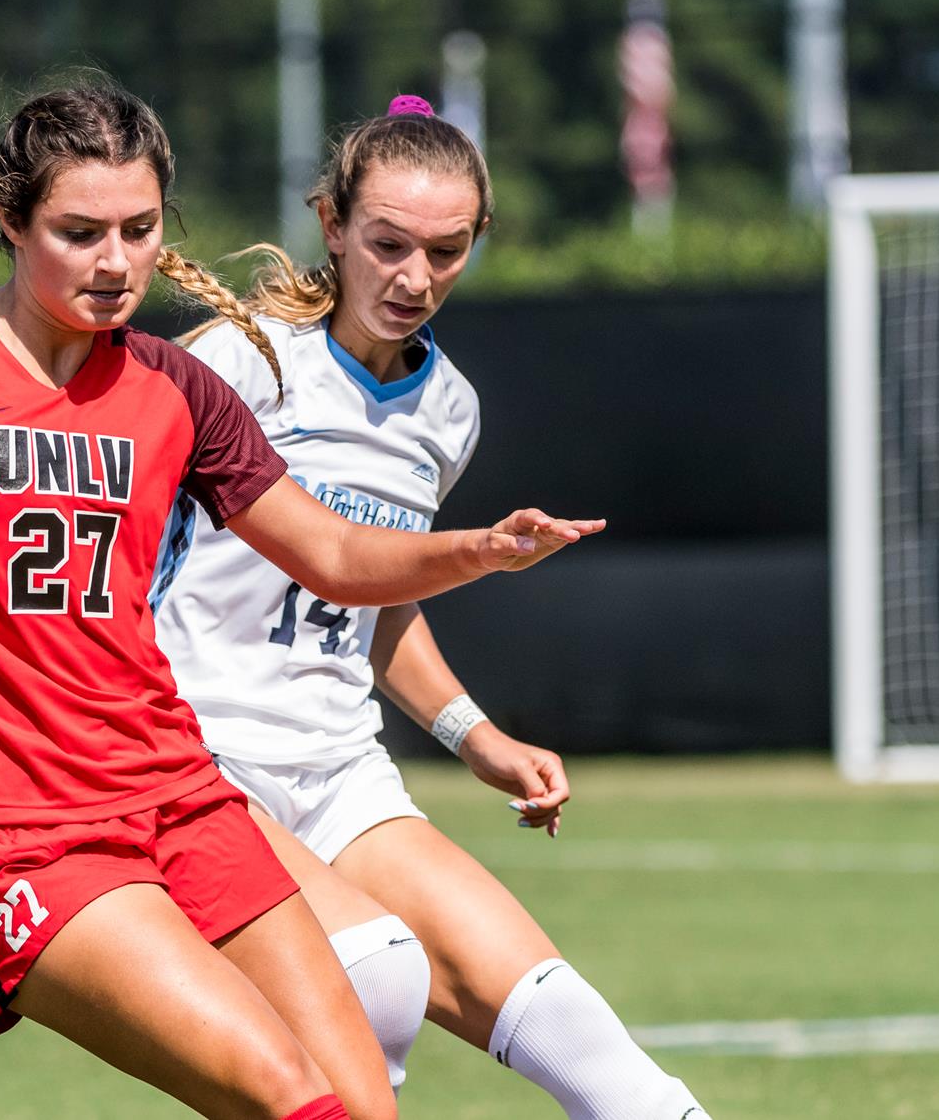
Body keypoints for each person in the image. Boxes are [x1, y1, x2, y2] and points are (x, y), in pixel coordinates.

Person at [0, 79, 603, 1120]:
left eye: (139, 230)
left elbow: (326, 553)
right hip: (10, 832)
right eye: (78, 231)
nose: (113, 262)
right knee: (287, 1097)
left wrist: (477, 549)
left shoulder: (176, 390)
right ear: (8, 222)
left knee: (361, 1105)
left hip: (181, 800)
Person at [152, 96, 710, 1119]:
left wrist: (474, 736)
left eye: (445, 252)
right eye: (387, 244)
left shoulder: (448, 410)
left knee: (590, 1047)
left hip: (337, 771)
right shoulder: (229, 364)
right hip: (199, 765)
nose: (413, 279)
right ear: (331, 224)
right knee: (379, 979)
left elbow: (373, 598)